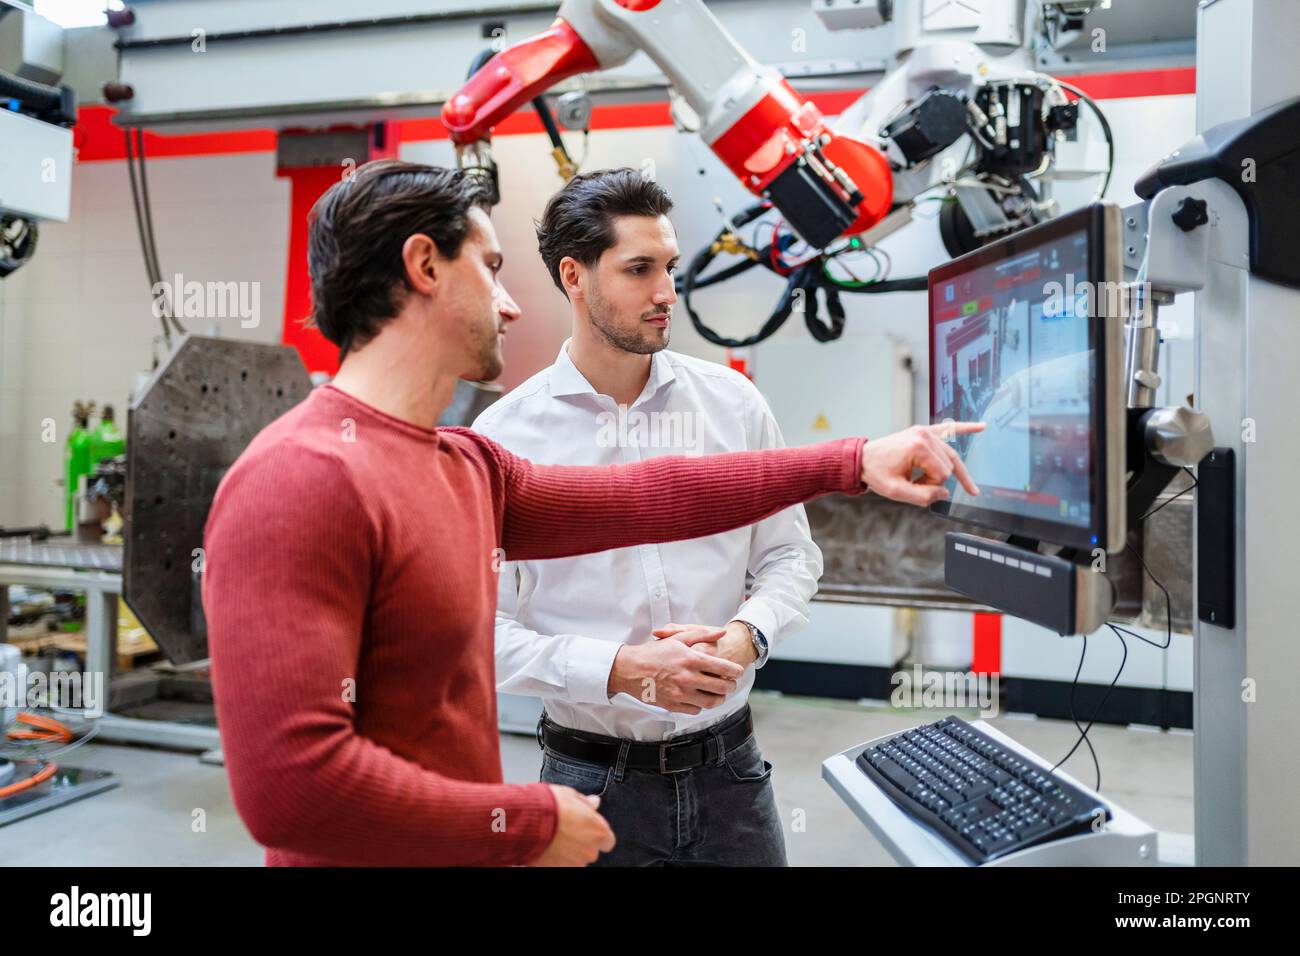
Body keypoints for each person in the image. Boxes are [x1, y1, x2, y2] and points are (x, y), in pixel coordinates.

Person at [201, 159, 982, 867]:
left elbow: (655, 497)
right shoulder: (298, 478)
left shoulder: (461, 465)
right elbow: (292, 792)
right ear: (424, 266)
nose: (510, 306)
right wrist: (529, 820)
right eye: (493, 269)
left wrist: (852, 461)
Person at [474, 168, 821, 865]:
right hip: (590, 783)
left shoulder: (733, 405)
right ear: (574, 276)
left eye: (668, 265)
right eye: (639, 269)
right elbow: (484, 636)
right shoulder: (504, 441)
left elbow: (791, 556)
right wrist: (619, 670)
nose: (667, 292)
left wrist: (746, 636)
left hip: (732, 774)